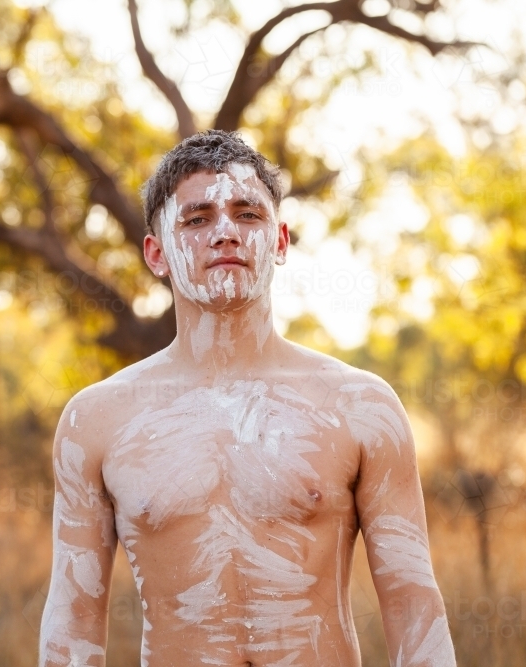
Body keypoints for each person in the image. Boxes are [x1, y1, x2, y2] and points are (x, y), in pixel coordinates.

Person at [39, 130, 456, 667]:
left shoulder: (358, 407)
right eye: (197, 219)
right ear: (157, 252)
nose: (225, 233)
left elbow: (412, 605)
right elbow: (72, 623)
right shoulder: (95, 421)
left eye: (248, 214)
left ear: (280, 242)